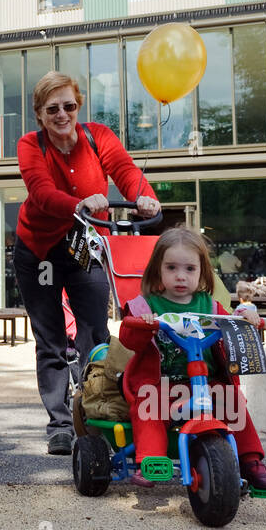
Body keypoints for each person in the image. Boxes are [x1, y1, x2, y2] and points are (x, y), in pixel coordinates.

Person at [14, 70, 160, 456]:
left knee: (95, 333)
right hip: (40, 248)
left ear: (78, 105)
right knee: (52, 341)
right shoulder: (31, 145)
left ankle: (93, 414)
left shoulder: (98, 137)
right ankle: (60, 423)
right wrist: (77, 204)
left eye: (69, 106)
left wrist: (143, 196)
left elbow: (126, 172)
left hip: (83, 243)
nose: (62, 115)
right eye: (52, 109)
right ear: (40, 114)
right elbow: (42, 193)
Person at [118, 227, 266, 490]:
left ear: (202, 272)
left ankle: (251, 461)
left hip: (204, 384)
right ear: (158, 270)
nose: (180, 276)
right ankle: (151, 461)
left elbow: (229, 323)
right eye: (171, 268)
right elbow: (128, 338)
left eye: (189, 269)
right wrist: (141, 325)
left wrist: (245, 317)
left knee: (233, 404)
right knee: (147, 407)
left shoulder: (209, 305)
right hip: (162, 386)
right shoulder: (147, 305)